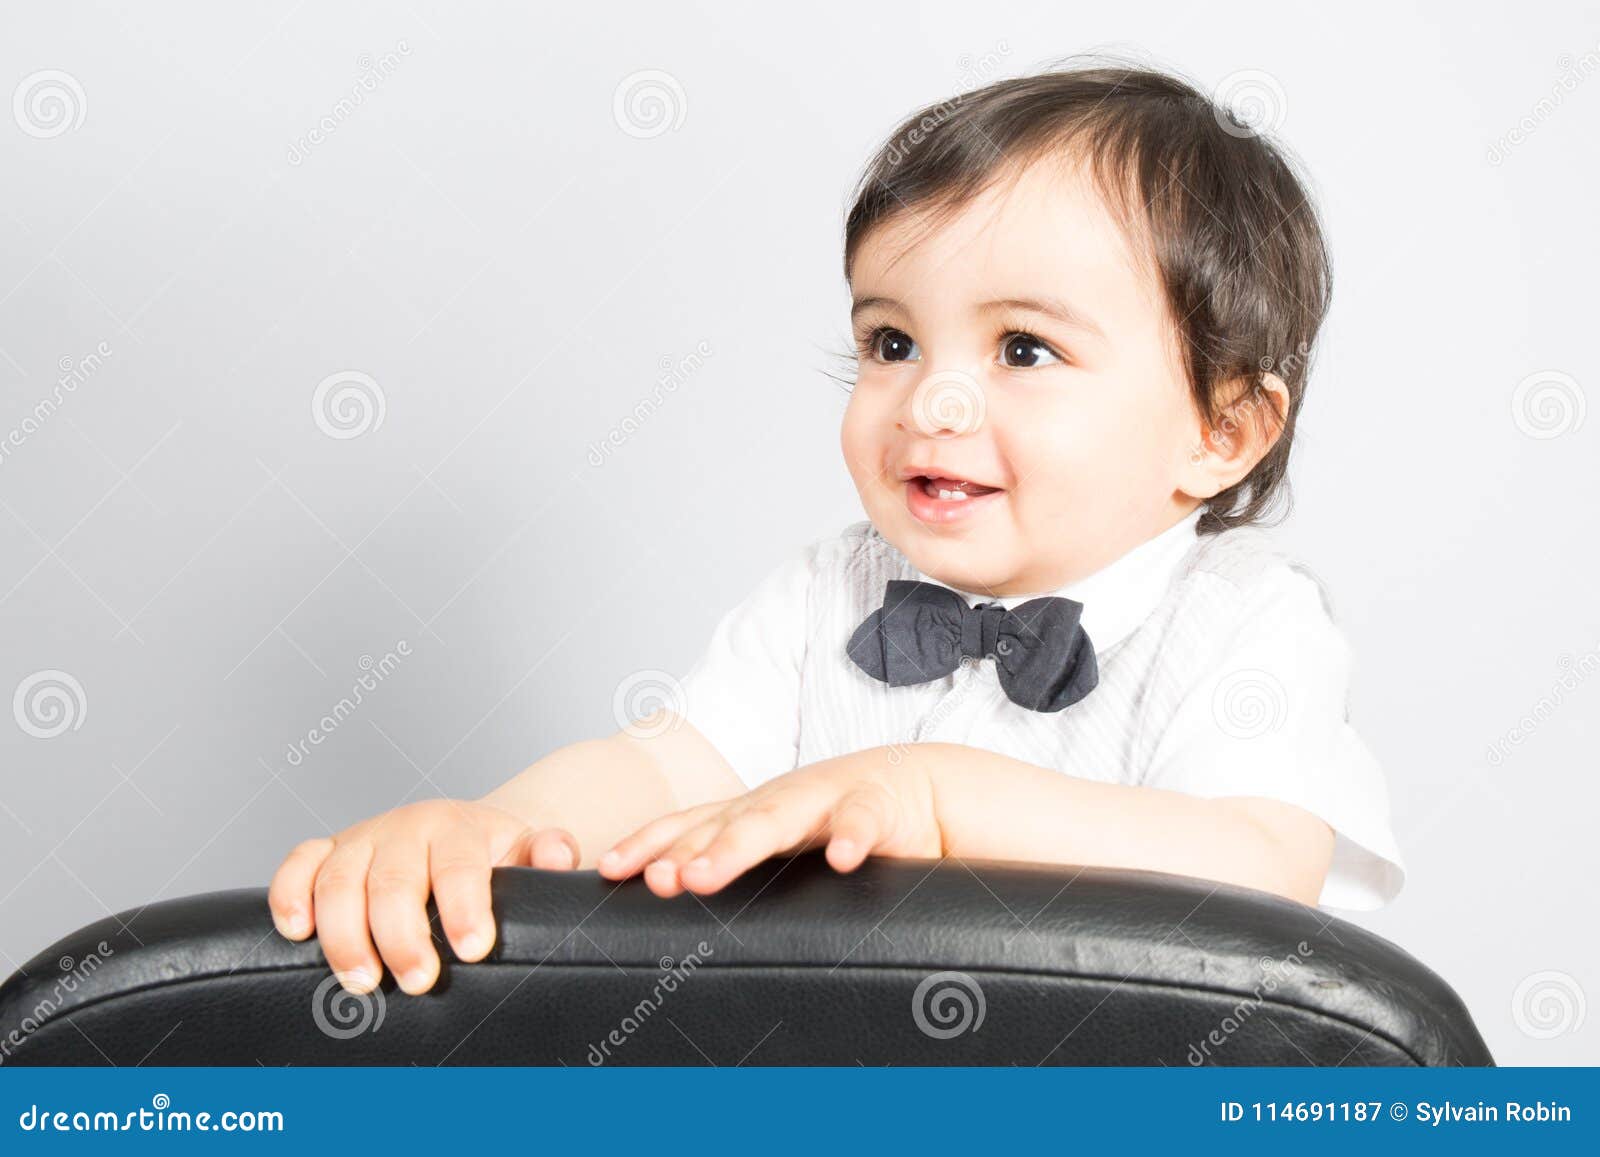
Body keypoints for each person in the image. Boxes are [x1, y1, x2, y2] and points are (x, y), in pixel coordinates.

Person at [270, 60, 1403, 997]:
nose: (927, 402)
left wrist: (938, 793)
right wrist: (491, 827)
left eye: (1022, 349)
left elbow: (1260, 871)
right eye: (891, 341)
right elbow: (658, 769)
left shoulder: (1246, 619)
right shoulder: (828, 593)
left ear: (1223, 426)